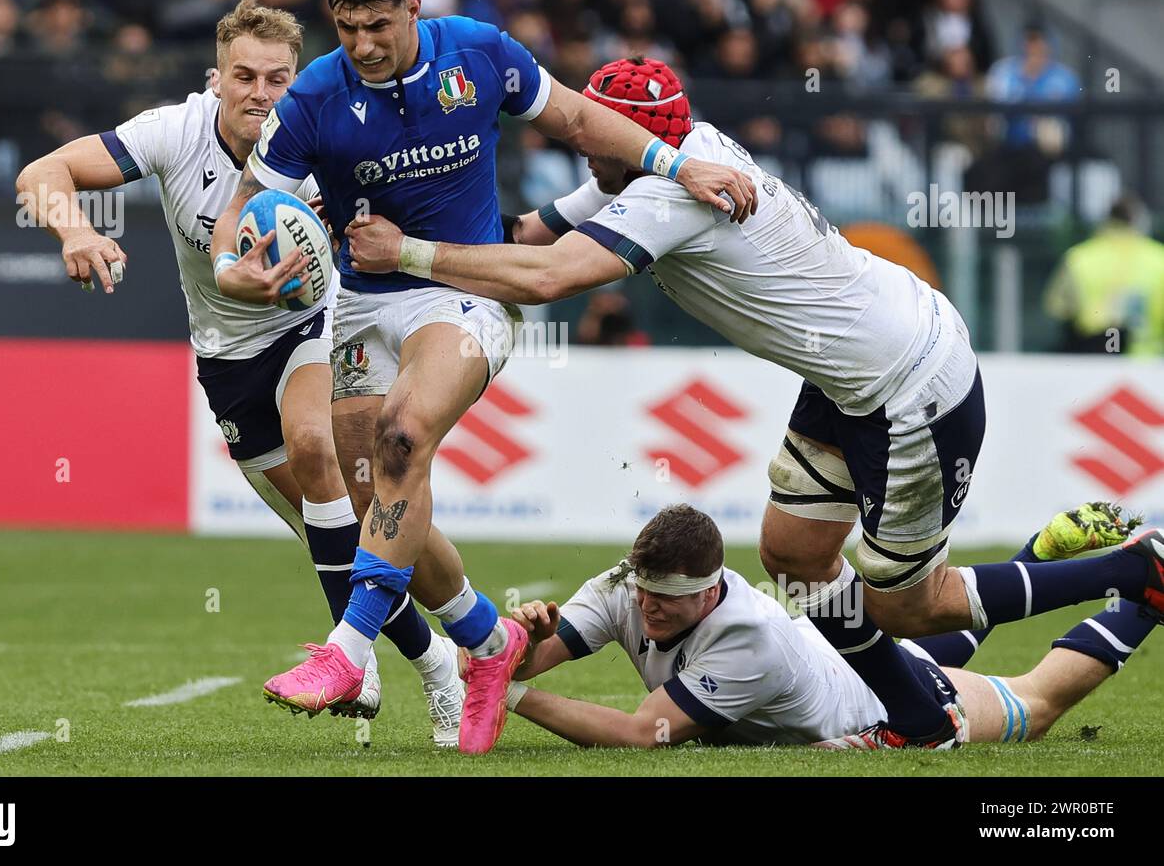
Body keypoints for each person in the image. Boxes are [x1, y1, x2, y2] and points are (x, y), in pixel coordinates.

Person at [343, 54, 1164, 748]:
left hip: (909, 381)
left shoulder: (668, 194)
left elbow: (552, 276)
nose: (581, 144)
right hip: (850, 371)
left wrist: (410, 254)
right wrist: (383, 206)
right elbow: (527, 235)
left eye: (590, 132)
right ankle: (915, 714)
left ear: (630, 137)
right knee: (795, 554)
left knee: (908, 605)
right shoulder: (665, 155)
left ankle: (1137, 569)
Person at [208, 0, 758, 755]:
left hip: (464, 291)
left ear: (414, 9)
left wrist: (678, 165)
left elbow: (574, 115)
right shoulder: (315, 98)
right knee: (380, 500)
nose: (363, 44)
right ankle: (490, 643)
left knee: (404, 435)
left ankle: (347, 653)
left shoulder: (480, 53)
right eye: (349, 27)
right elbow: (249, 203)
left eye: (379, 25)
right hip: (359, 302)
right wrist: (232, 270)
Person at [14, 0, 464, 747]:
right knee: (345, 536)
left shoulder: (326, 128)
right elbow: (43, 170)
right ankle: (439, 662)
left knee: (320, 449)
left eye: (278, 78)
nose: (261, 93)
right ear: (215, 78)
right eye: (245, 77)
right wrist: (73, 229)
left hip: (319, 325)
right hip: (227, 359)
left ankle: (355, 658)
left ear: (299, 79)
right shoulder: (172, 132)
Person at [499, 503, 1159, 750]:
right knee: (932, 628)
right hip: (851, 659)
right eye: (642, 595)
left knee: (1038, 705)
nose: (647, 611)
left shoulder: (744, 635)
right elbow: (528, 656)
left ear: (710, 593)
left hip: (896, 710)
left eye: (666, 602)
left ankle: (1145, 587)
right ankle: (1042, 550)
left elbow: (643, 733)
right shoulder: (625, 587)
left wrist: (510, 696)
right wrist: (522, 641)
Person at [1043, 195, 1164, 356]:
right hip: (1147, 359)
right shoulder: (1158, 258)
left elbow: (1057, 308)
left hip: (1094, 355)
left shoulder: (1080, 257)